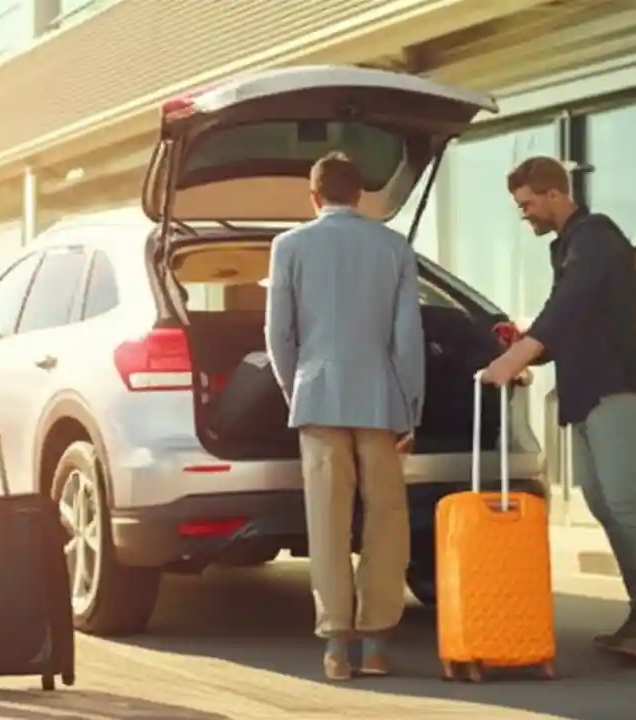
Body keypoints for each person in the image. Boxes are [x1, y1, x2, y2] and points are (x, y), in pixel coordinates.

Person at [479, 156, 636, 659]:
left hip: (615, 389)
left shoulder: (594, 237)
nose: (523, 213)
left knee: (623, 500)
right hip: (585, 390)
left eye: (527, 203)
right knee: (601, 500)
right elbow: (570, 323)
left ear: (553, 194)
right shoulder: (568, 247)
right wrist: (528, 347)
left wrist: (516, 356)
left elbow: (569, 304)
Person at [264, 152, 424, 680]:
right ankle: (376, 644)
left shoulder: (289, 246)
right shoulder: (393, 246)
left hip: (317, 396)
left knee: (327, 521)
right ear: (361, 196)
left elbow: (277, 333)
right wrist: (410, 406)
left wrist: (296, 388)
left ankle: (335, 646)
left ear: (314, 197)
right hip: (381, 399)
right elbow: (407, 337)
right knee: (386, 519)